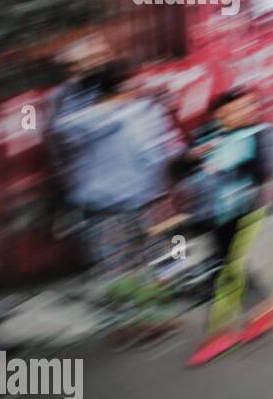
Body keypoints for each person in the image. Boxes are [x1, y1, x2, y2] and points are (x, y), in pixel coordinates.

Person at [51, 60, 185, 285]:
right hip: (132, 200)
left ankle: (133, 299)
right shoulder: (137, 113)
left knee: (124, 260)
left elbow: (169, 148)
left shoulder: (78, 121)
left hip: (113, 202)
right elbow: (161, 152)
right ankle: (167, 284)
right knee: (156, 253)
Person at [184, 89, 273, 367]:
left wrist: (230, 163)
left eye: (248, 107)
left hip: (246, 212)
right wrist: (194, 157)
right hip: (212, 214)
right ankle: (267, 306)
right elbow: (185, 165)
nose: (245, 112)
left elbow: (265, 171)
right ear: (220, 114)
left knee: (228, 273)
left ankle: (219, 333)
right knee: (231, 264)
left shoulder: (260, 133)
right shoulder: (207, 133)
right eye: (236, 109)